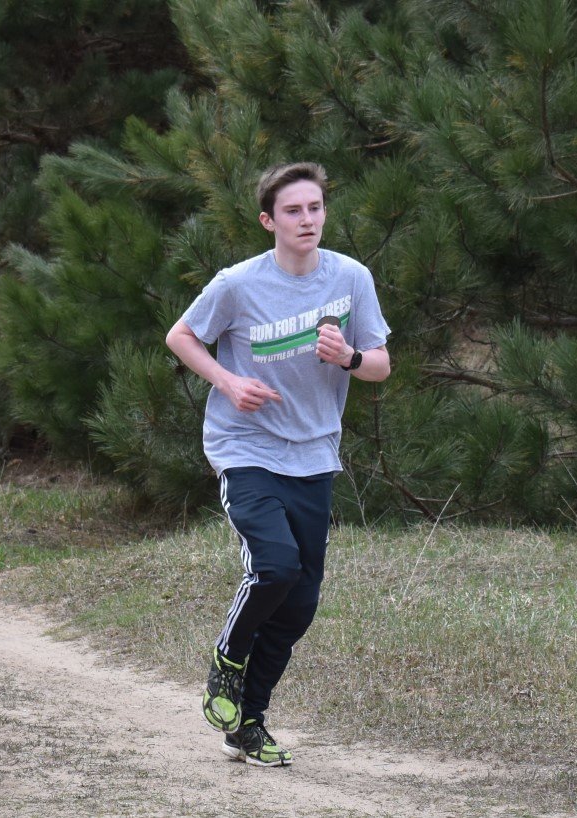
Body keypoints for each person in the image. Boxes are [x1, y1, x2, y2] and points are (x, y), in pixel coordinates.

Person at [165, 162, 390, 767]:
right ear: (269, 220)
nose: (308, 220)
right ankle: (227, 660)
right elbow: (181, 335)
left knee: (300, 602)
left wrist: (349, 356)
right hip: (247, 448)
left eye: (315, 207)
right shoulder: (238, 284)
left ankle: (248, 722)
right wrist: (229, 382)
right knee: (274, 566)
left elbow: (381, 365)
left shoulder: (351, 278)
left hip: (314, 453)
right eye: (293, 211)